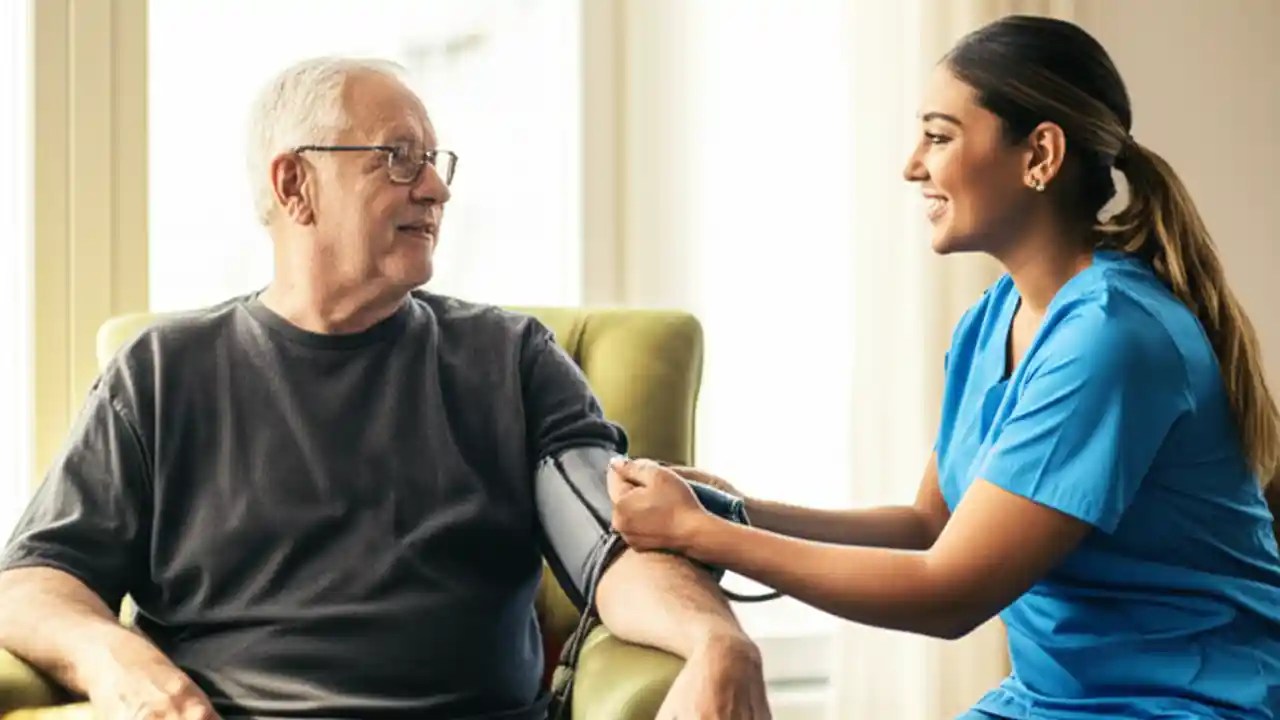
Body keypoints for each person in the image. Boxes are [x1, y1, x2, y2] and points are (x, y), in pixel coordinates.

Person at [0, 57, 771, 720]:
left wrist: (716, 639)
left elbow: (618, 550)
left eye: (436, 160)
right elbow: (33, 581)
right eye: (399, 157)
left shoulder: (511, 360)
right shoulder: (162, 374)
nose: (435, 188)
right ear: (294, 184)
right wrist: (113, 660)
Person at [607, 15, 1280, 719]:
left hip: (1186, 704)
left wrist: (700, 534)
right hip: (1052, 701)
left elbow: (949, 593)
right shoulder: (992, 319)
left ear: (1040, 155)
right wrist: (734, 506)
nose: (912, 165)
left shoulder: (1111, 341)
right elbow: (931, 522)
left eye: (939, 135)